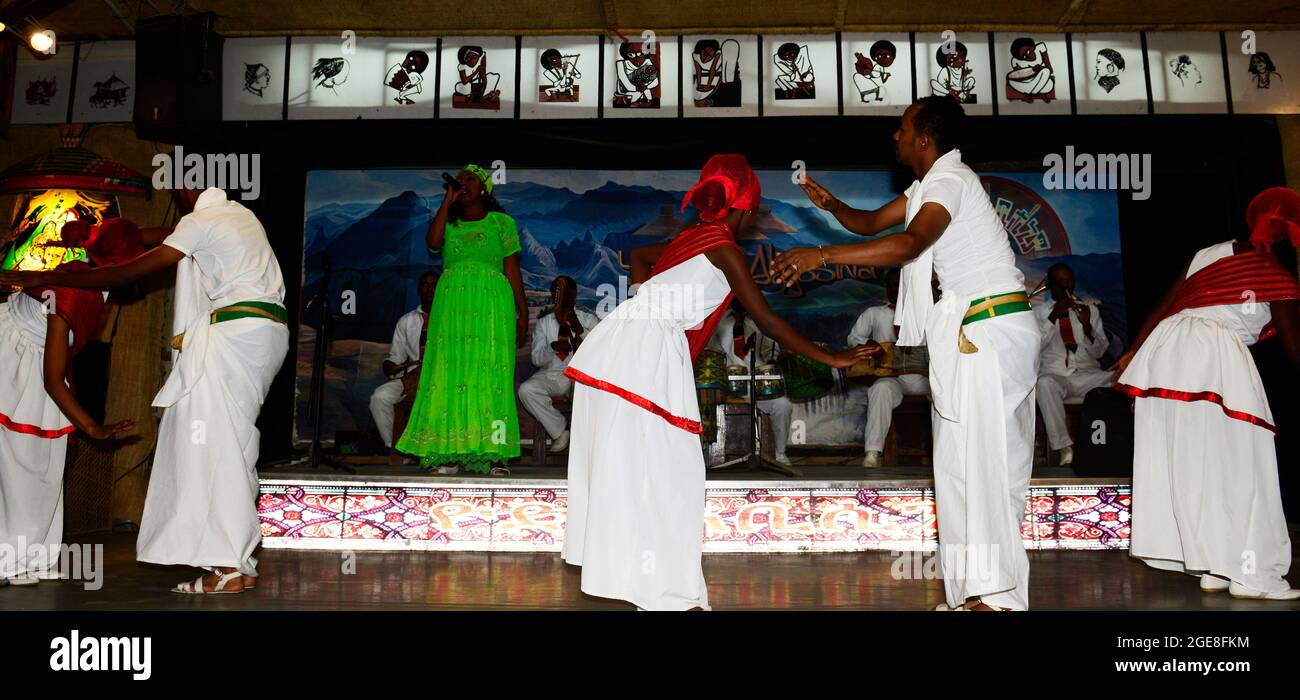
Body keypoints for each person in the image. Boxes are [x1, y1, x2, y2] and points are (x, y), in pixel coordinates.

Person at [562, 155, 873, 611]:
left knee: (640, 468)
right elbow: (766, 320)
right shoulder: (725, 248)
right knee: (671, 472)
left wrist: (652, 306)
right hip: (642, 351)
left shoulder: (693, 236)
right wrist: (832, 357)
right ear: (745, 209)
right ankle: (664, 591)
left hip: (622, 344)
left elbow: (640, 257)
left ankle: (633, 579)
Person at [772, 96, 1041, 611]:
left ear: (924, 138)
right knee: (964, 466)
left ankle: (997, 598)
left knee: (981, 464)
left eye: (901, 128)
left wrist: (820, 256)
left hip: (986, 330)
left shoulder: (950, 181)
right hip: (978, 332)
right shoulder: (929, 186)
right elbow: (872, 225)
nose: (894, 137)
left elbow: (910, 244)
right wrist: (829, 206)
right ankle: (975, 596)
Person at [1, 187, 291, 594]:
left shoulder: (201, 223)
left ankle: (226, 565)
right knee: (233, 443)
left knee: (212, 446)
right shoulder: (239, 218)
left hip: (234, 332)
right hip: (266, 335)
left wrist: (42, 276)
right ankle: (236, 562)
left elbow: (126, 270)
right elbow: (150, 237)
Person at [1113, 187, 1300, 600]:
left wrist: (1133, 353)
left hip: (1167, 353)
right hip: (1214, 360)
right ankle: (1257, 576)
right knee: (1246, 466)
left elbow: (1165, 304)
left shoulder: (1208, 252)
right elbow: (1294, 348)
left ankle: (1217, 566)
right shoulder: (1276, 275)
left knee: (1198, 463)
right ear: (1289, 237)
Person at [0, 218, 139, 586]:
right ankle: (8, 559)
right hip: (16, 359)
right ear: (118, 268)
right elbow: (51, 378)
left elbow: (160, 238)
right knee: (22, 463)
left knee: (49, 461)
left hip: (39, 358)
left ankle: (37, 554)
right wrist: (92, 426)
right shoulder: (73, 294)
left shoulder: (98, 270)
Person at [397, 165, 527, 476]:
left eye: (470, 179)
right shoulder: (450, 223)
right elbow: (433, 242)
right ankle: (448, 453)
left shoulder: (501, 222)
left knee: (491, 378)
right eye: (460, 179)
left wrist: (521, 312)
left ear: (485, 189)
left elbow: (512, 269)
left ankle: (495, 453)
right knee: (449, 376)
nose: (463, 183)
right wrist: (447, 200)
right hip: (453, 305)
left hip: (492, 304)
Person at [846, 267, 931, 469]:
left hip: (923, 378)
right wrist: (870, 344)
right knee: (880, 388)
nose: (894, 289)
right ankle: (873, 453)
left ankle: (951, 454)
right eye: (890, 285)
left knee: (944, 391)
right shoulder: (875, 314)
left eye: (899, 285)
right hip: (893, 378)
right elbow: (852, 339)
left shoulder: (925, 315)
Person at [1034, 263, 1111, 466]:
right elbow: (1034, 349)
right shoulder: (1038, 313)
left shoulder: (1089, 310)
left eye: (1070, 281)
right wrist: (1053, 316)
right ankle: (1064, 447)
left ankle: (1107, 444)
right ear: (1051, 285)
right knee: (1044, 383)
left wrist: (1086, 325)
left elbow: (1100, 351)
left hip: (1087, 374)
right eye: (1062, 282)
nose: (1067, 285)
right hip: (1057, 375)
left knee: (1118, 380)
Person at [518, 275, 599, 454]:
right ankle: (559, 431)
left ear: (574, 295)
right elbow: (536, 359)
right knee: (526, 390)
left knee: (592, 391)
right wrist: (552, 347)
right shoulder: (544, 323)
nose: (562, 297)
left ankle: (590, 446)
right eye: (558, 293)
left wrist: (578, 330)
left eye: (566, 293)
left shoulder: (588, 320)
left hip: (580, 376)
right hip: (552, 375)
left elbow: (600, 351)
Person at [707, 301, 794, 465]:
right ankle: (708, 454)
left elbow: (769, 351)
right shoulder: (717, 321)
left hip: (755, 381)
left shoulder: (759, 322)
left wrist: (775, 359)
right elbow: (710, 350)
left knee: (783, 405)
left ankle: (780, 454)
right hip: (726, 381)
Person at [369, 271, 437, 449]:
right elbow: (396, 357)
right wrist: (390, 365)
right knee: (379, 398)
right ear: (418, 290)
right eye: (425, 285)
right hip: (412, 377)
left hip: (441, 377)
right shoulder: (406, 321)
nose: (430, 289)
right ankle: (397, 449)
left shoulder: (450, 320)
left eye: (434, 285)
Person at [1005, 38, 1055, 103]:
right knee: (1011, 82)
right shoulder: (1015, 61)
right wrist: (1030, 72)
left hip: (1041, 79)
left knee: (1046, 72)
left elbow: (1050, 69)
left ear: (1032, 47)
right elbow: (1018, 76)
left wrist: (1039, 69)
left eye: (1028, 52)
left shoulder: (1040, 47)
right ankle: (1037, 93)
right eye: (1024, 57)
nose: (1029, 57)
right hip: (1028, 81)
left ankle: (1029, 95)